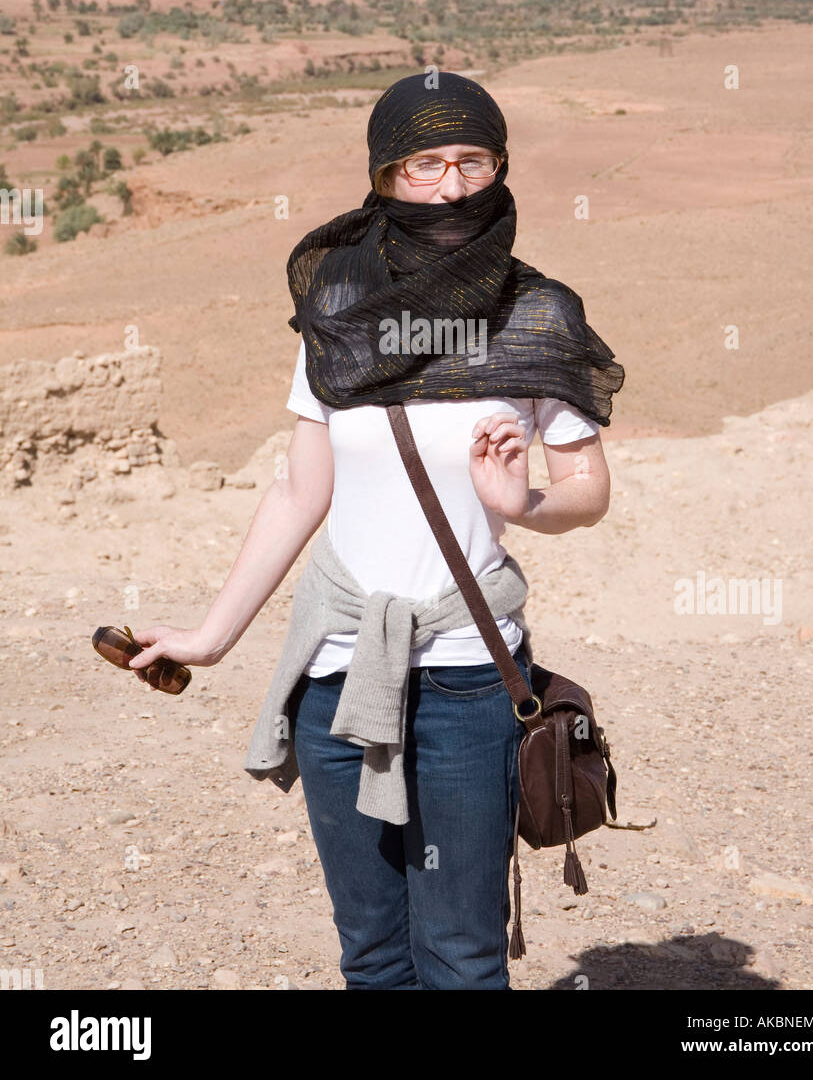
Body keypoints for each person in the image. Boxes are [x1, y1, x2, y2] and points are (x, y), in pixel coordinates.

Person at [129, 71, 624, 990]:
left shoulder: (538, 314)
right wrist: (209, 637)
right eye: (424, 163)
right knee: (371, 953)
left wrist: (522, 504)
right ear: (385, 176)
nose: (451, 184)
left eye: (471, 160)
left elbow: (587, 489)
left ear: (501, 168)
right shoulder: (338, 314)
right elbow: (297, 492)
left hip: (471, 682)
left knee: (464, 955)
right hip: (335, 679)